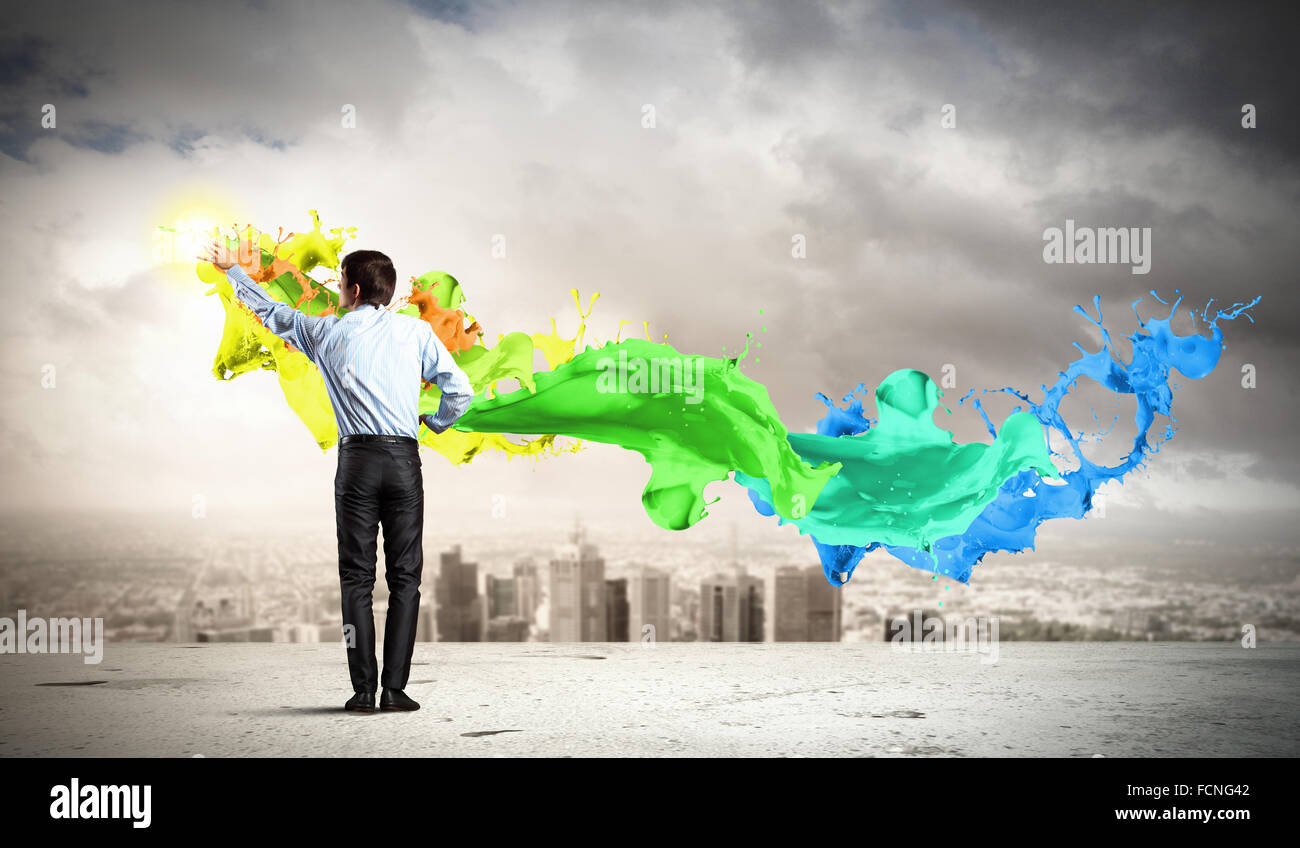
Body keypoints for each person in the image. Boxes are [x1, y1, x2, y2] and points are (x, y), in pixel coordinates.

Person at [200, 234, 474, 713]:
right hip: (405, 461)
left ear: (355, 291)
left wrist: (232, 271)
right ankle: (395, 690)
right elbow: (461, 392)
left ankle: (363, 691)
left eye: (343, 284)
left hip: (357, 465)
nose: (340, 290)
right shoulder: (416, 334)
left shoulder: (326, 333)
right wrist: (435, 422)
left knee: (357, 579)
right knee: (406, 577)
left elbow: (270, 311)